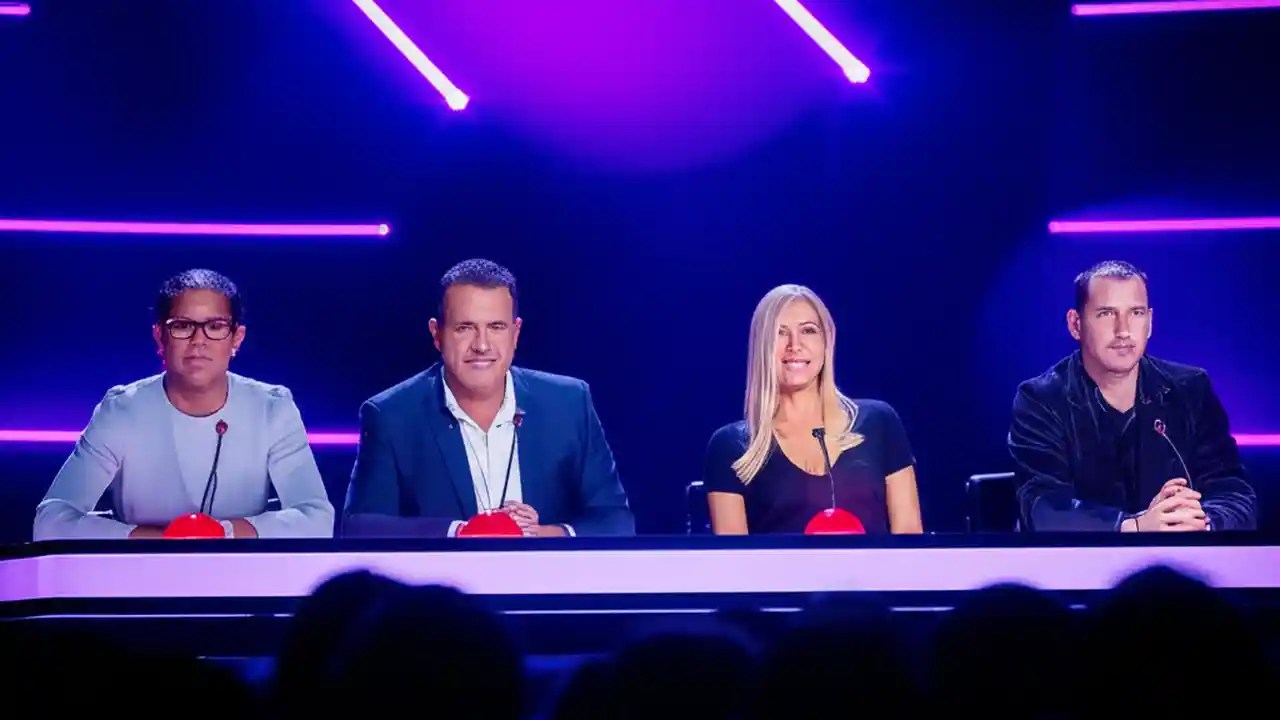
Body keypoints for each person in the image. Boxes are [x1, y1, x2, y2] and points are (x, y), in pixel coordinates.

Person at [32, 269, 335, 541]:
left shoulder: (273, 409)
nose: (198, 340)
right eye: (182, 326)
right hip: (139, 584)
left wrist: (221, 533)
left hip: (240, 587)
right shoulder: (121, 410)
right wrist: (161, 541)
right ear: (160, 337)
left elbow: (318, 519)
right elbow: (51, 521)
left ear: (236, 338)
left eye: (215, 326)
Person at [342, 258, 634, 537]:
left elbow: (615, 520)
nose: (481, 345)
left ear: (515, 333)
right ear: (437, 334)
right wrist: (461, 533)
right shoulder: (391, 415)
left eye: (496, 327)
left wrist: (542, 535)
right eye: (465, 328)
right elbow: (361, 528)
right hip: (443, 586)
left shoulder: (570, 403)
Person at [1008, 260, 1256, 532]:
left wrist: (1201, 522)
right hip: (1078, 568)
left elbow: (1234, 493)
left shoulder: (1190, 389)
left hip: (1178, 564)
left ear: (1149, 322)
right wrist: (1135, 527)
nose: (1123, 330)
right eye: (1106, 314)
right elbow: (1042, 507)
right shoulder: (1041, 399)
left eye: (1136, 313)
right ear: (1075, 324)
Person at [702, 284, 923, 535]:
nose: (794, 345)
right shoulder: (731, 447)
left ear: (827, 341)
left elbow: (909, 539)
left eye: (808, 331)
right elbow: (735, 564)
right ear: (761, 346)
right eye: (779, 333)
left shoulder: (880, 422)